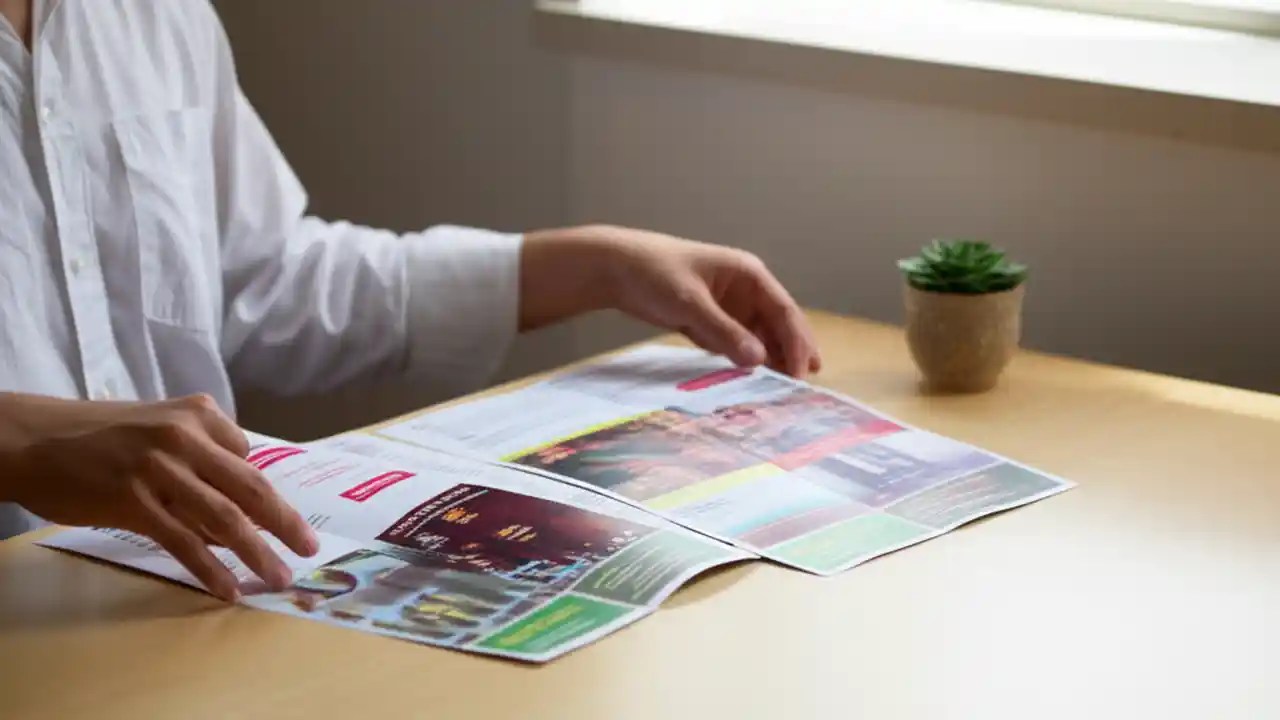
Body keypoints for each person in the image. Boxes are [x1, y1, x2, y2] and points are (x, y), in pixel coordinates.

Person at [0, 0, 820, 601]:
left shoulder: (146, 14)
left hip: (186, 609)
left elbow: (257, 279)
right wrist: (19, 437)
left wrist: (591, 266)